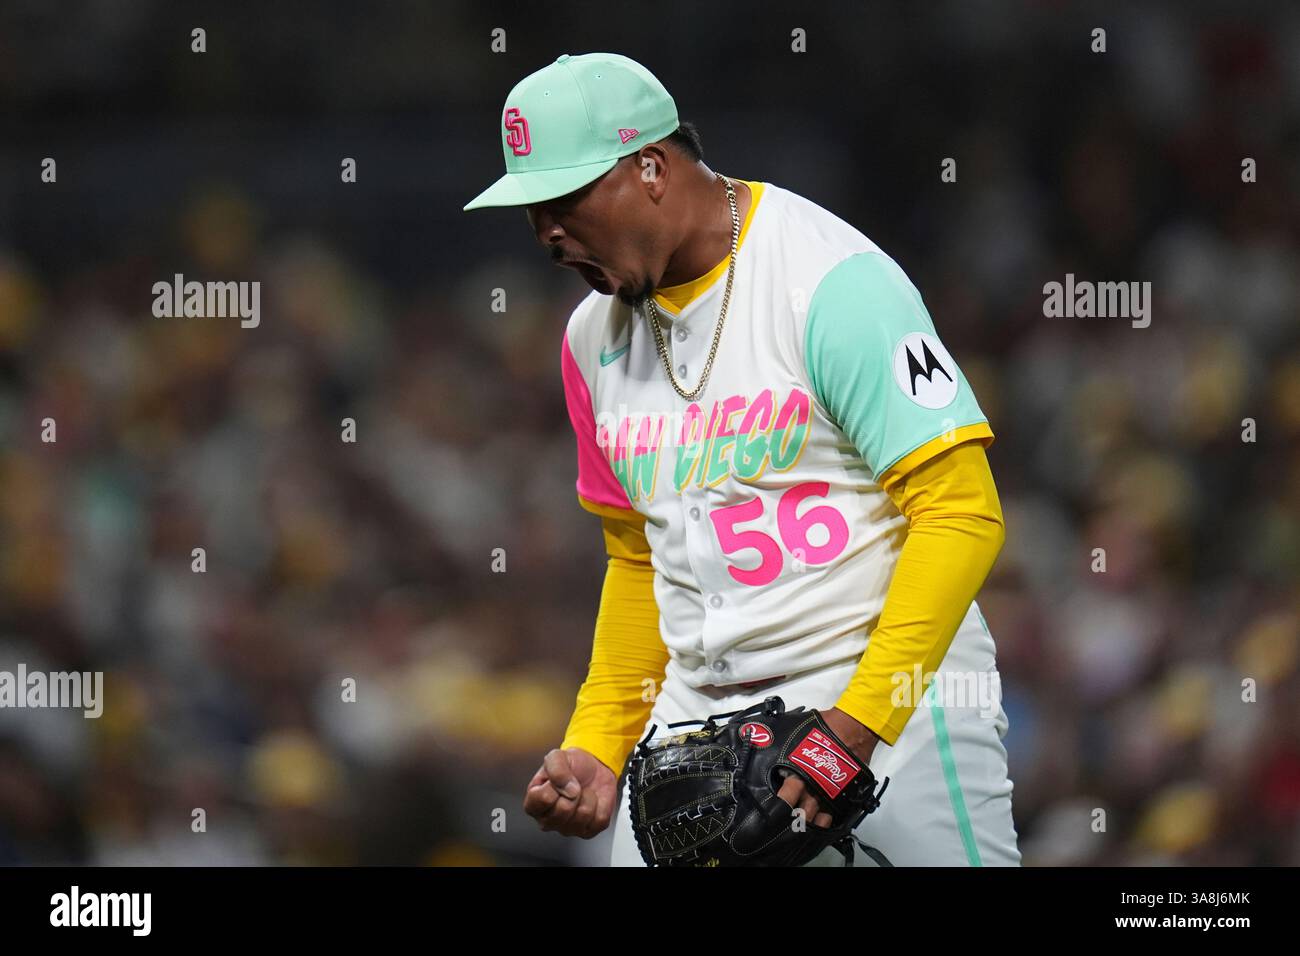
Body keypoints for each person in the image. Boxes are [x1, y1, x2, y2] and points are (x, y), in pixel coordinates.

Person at [465, 52, 1020, 866]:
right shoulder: (591, 339)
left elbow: (963, 515)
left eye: (564, 199)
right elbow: (636, 560)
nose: (547, 231)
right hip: (696, 723)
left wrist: (851, 733)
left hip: (887, 699)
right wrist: (598, 741)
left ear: (650, 167)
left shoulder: (832, 283)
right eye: (530, 208)